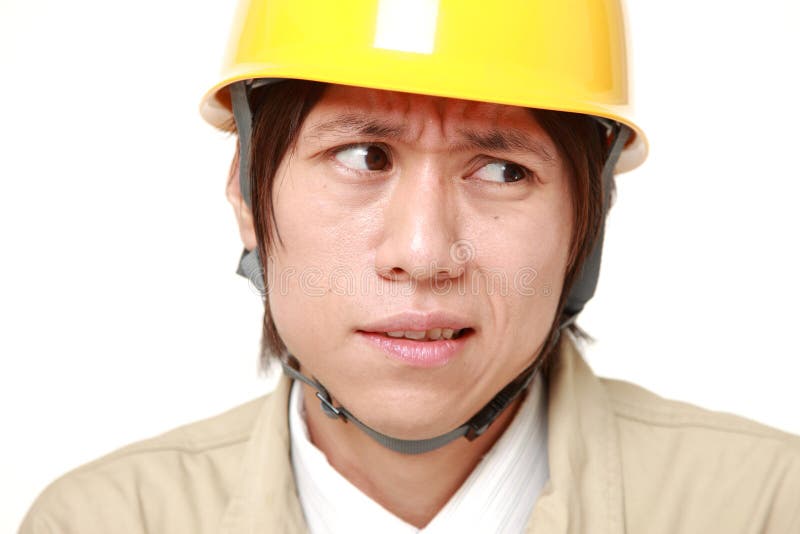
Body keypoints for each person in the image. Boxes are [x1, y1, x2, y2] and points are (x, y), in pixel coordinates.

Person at [18, 0, 800, 532]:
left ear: (586, 225)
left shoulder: (765, 508)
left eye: (501, 170)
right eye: (364, 156)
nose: (424, 255)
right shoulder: (103, 521)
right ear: (248, 197)